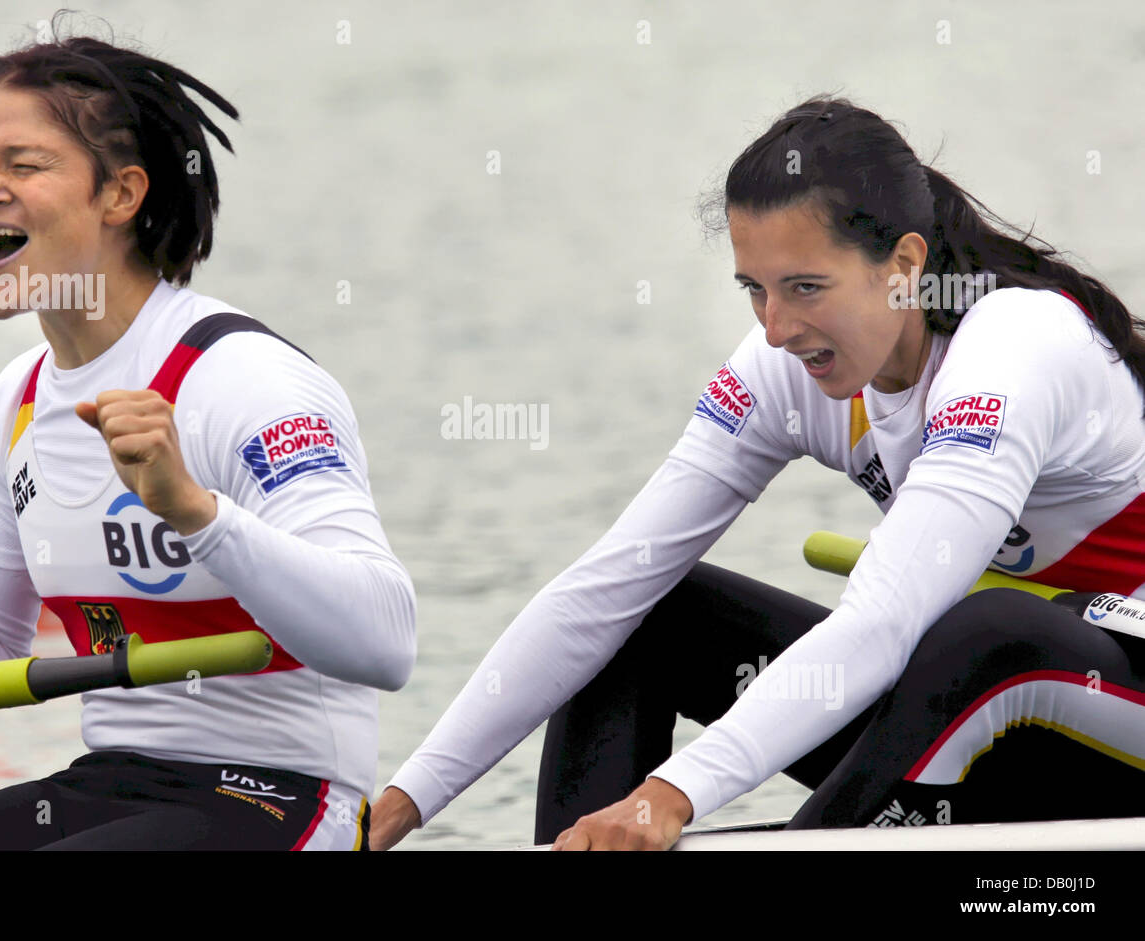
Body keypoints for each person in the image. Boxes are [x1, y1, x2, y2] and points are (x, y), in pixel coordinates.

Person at [370, 95, 1145, 851]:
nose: (776, 329)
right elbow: (602, 590)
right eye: (755, 291)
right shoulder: (792, 367)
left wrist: (670, 795)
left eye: (807, 287)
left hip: (1106, 723)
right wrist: (393, 812)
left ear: (904, 265)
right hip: (962, 717)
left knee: (985, 631)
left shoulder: (1017, 344)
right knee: (646, 612)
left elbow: (882, 624)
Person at [0, 26, 415, 851]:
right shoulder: (17, 405)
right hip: (115, 782)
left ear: (122, 195)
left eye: (23, 164)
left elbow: (386, 637)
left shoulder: (242, 381)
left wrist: (195, 511)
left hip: (282, 798)